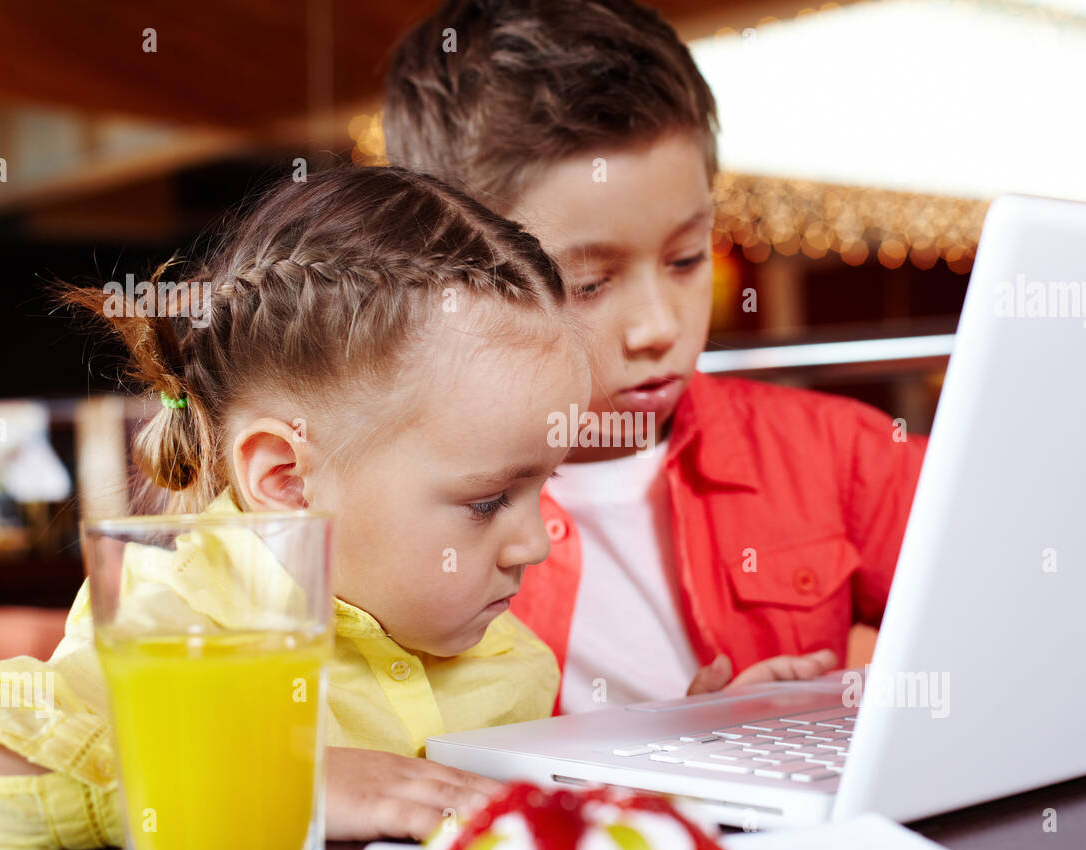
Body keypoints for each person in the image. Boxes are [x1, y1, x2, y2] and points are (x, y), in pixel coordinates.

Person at [0, 164, 590, 850]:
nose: (535, 544)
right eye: (489, 500)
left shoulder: (506, 654)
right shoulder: (175, 620)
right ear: (286, 479)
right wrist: (261, 781)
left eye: (542, 486)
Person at [384, 0, 928, 714]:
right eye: (589, 282)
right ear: (446, 281)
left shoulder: (838, 454)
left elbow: (1028, 594)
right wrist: (675, 743)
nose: (658, 326)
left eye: (685, 258)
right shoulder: (381, 502)